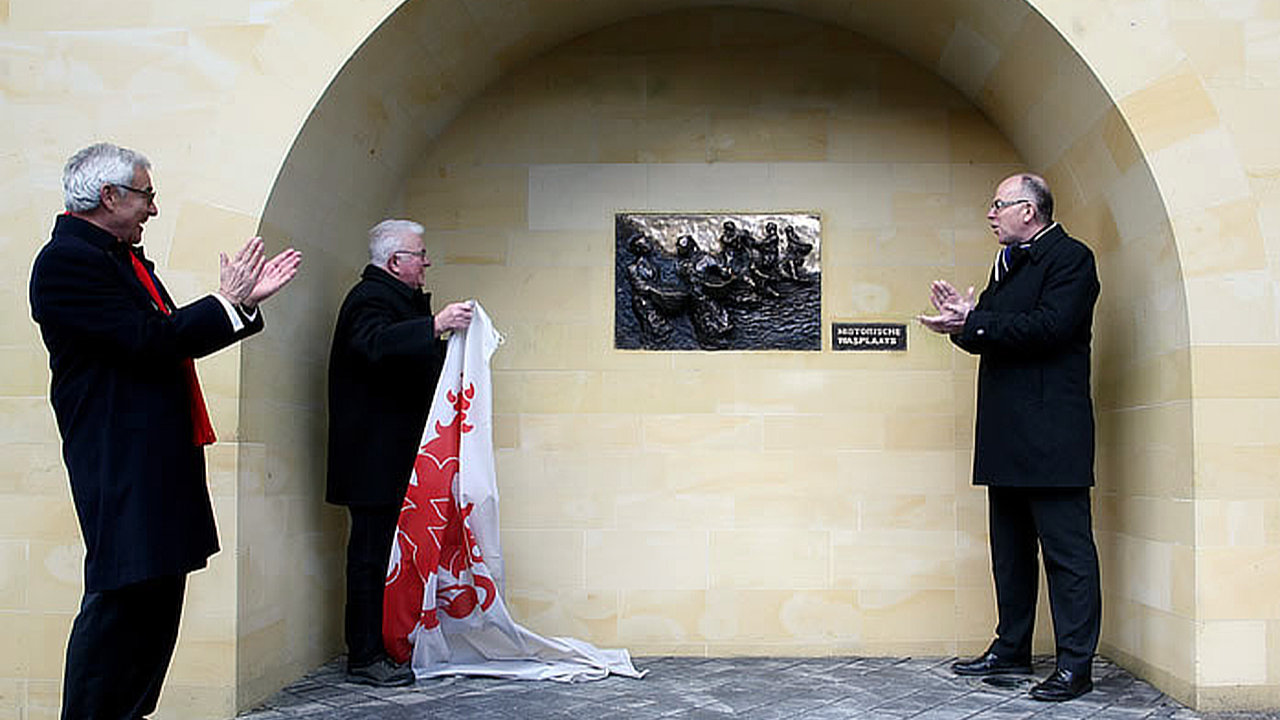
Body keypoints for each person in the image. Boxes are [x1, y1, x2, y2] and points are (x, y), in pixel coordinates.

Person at [29, 142, 302, 718]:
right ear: (109, 197)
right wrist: (224, 303)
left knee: (154, 602)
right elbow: (147, 341)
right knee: (120, 604)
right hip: (119, 462)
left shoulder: (119, 257)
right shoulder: (66, 262)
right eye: (146, 196)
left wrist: (238, 306)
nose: (153, 210)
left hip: (154, 460)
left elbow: (169, 335)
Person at [919, 173, 1101, 702]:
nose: (991, 213)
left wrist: (978, 320)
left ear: (1030, 209)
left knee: (1067, 555)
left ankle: (1075, 665)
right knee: (1011, 552)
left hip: (1052, 436)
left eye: (998, 204)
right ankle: (1011, 648)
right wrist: (963, 324)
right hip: (1006, 437)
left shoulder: (1072, 258)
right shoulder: (1006, 264)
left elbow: (1050, 329)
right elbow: (997, 335)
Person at [326, 219, 472, 687]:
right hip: (372, 459)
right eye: (419, 255)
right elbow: (373, 345)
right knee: (369, 556)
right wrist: (434, 325)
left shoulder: (392, 300)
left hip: (389, 456)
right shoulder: (368, 299)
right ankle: (364, 655)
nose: (426, 263)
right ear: (395, 261)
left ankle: (388, 645)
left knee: (385, 555)